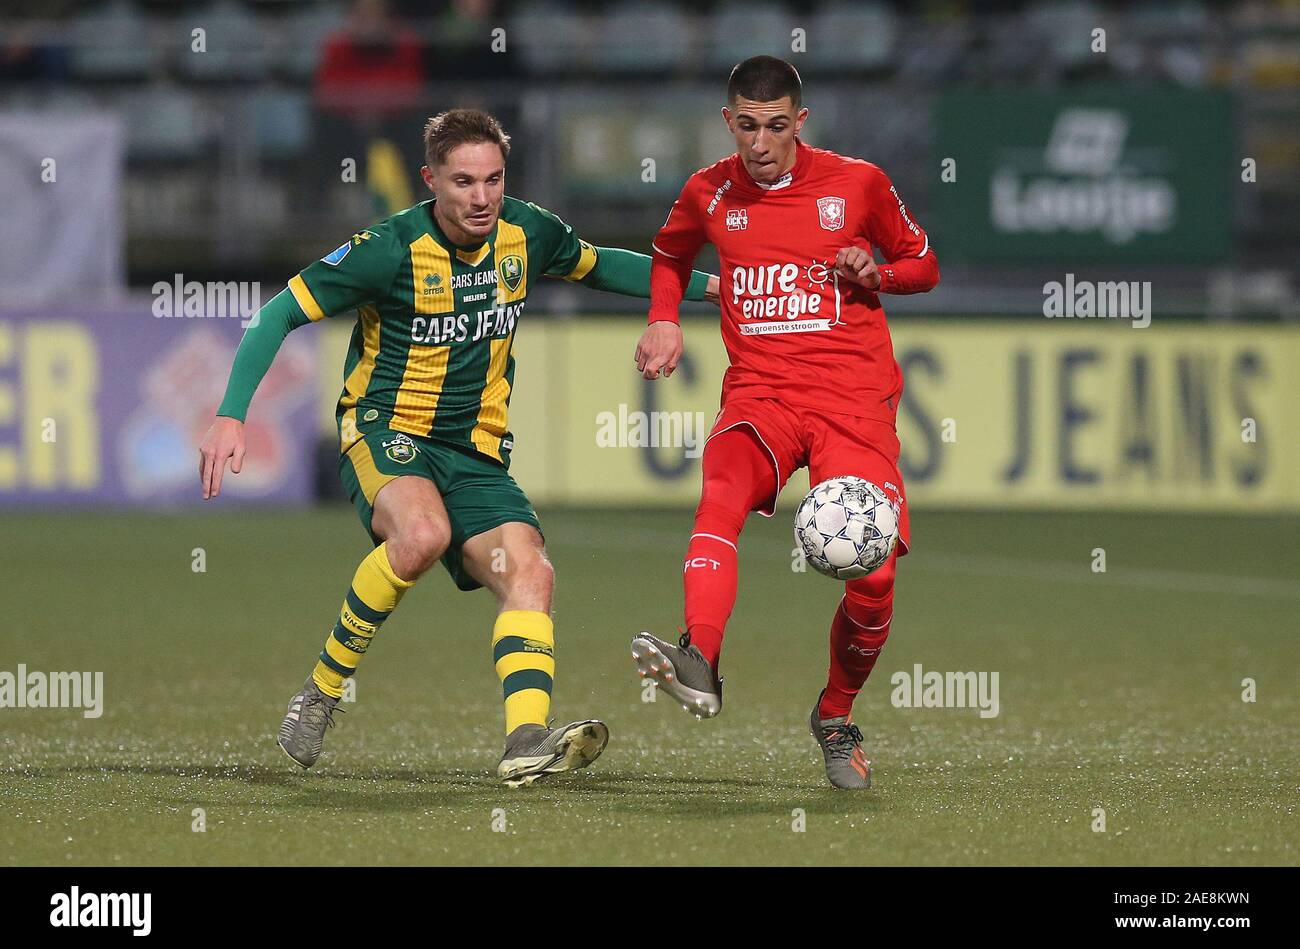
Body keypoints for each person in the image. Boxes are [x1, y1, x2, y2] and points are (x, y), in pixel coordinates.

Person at [199, 108, 719, 786]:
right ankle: (323, 689)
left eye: (493, 180)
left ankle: (525, 740)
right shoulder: (386, 249)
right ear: (430, 180)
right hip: (387, 432)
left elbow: (601, 265)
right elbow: (279, 312)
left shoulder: (526, 232)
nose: (481, 198)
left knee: (531, 572)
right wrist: (231, 414)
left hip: (475, 452)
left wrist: (714, 290)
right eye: (464, 182)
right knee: (420, 534)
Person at [631, 56, 939, 790]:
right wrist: (663, 320)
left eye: (776, 126)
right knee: (720, 501)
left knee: (876, 576)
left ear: (800, 122)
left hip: (852, 402)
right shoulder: (706, 191)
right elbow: (670, 255)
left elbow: (923, 264)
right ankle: (699, 656)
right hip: (761, 394)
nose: (761, 142)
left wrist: (878, 274)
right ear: (727, 121)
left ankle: (835, 715)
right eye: (747, 125)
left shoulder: (856, 184)